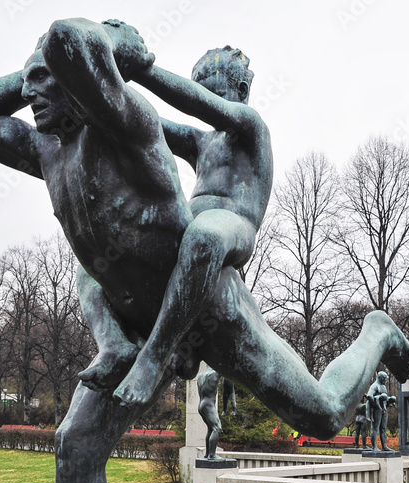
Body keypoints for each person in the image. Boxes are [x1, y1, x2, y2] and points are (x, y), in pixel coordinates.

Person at [0, 18, 409, 483]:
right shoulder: (47, 150)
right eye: (29, 85)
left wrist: (126, 56)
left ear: (87, 84)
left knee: (324, 415)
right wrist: (34, 73)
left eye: (44, 83)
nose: (30, 97)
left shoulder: (131, 122)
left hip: (208, 303)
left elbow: (70, 39)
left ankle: (375, 334)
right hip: (139, 318)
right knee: (76, 444)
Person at [77, 32, 271, 414]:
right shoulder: (202, 143)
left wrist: (142, 68)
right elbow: (148, 122)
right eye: (202, 92)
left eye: (214, 95)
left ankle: (155, 356)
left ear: (242, 90)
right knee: (95, 263)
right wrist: (104, 83)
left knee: (204, 236)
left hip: (232, 226)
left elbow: (199, 104)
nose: (205, 104)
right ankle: (114, 345)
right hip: (188, 228)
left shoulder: (250, 127)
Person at [366, 371, 397, 451]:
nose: (385, 380)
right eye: (384, 379)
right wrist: (375, 405)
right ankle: (374, 447)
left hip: (384, 409)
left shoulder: (383, 387)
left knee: (383, 428)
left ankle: (384, 446)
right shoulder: (374, 386)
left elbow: (384, 398)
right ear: (380, 378)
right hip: (377, 410)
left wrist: (390, 399)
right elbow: (369, 396)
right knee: (375, 427)